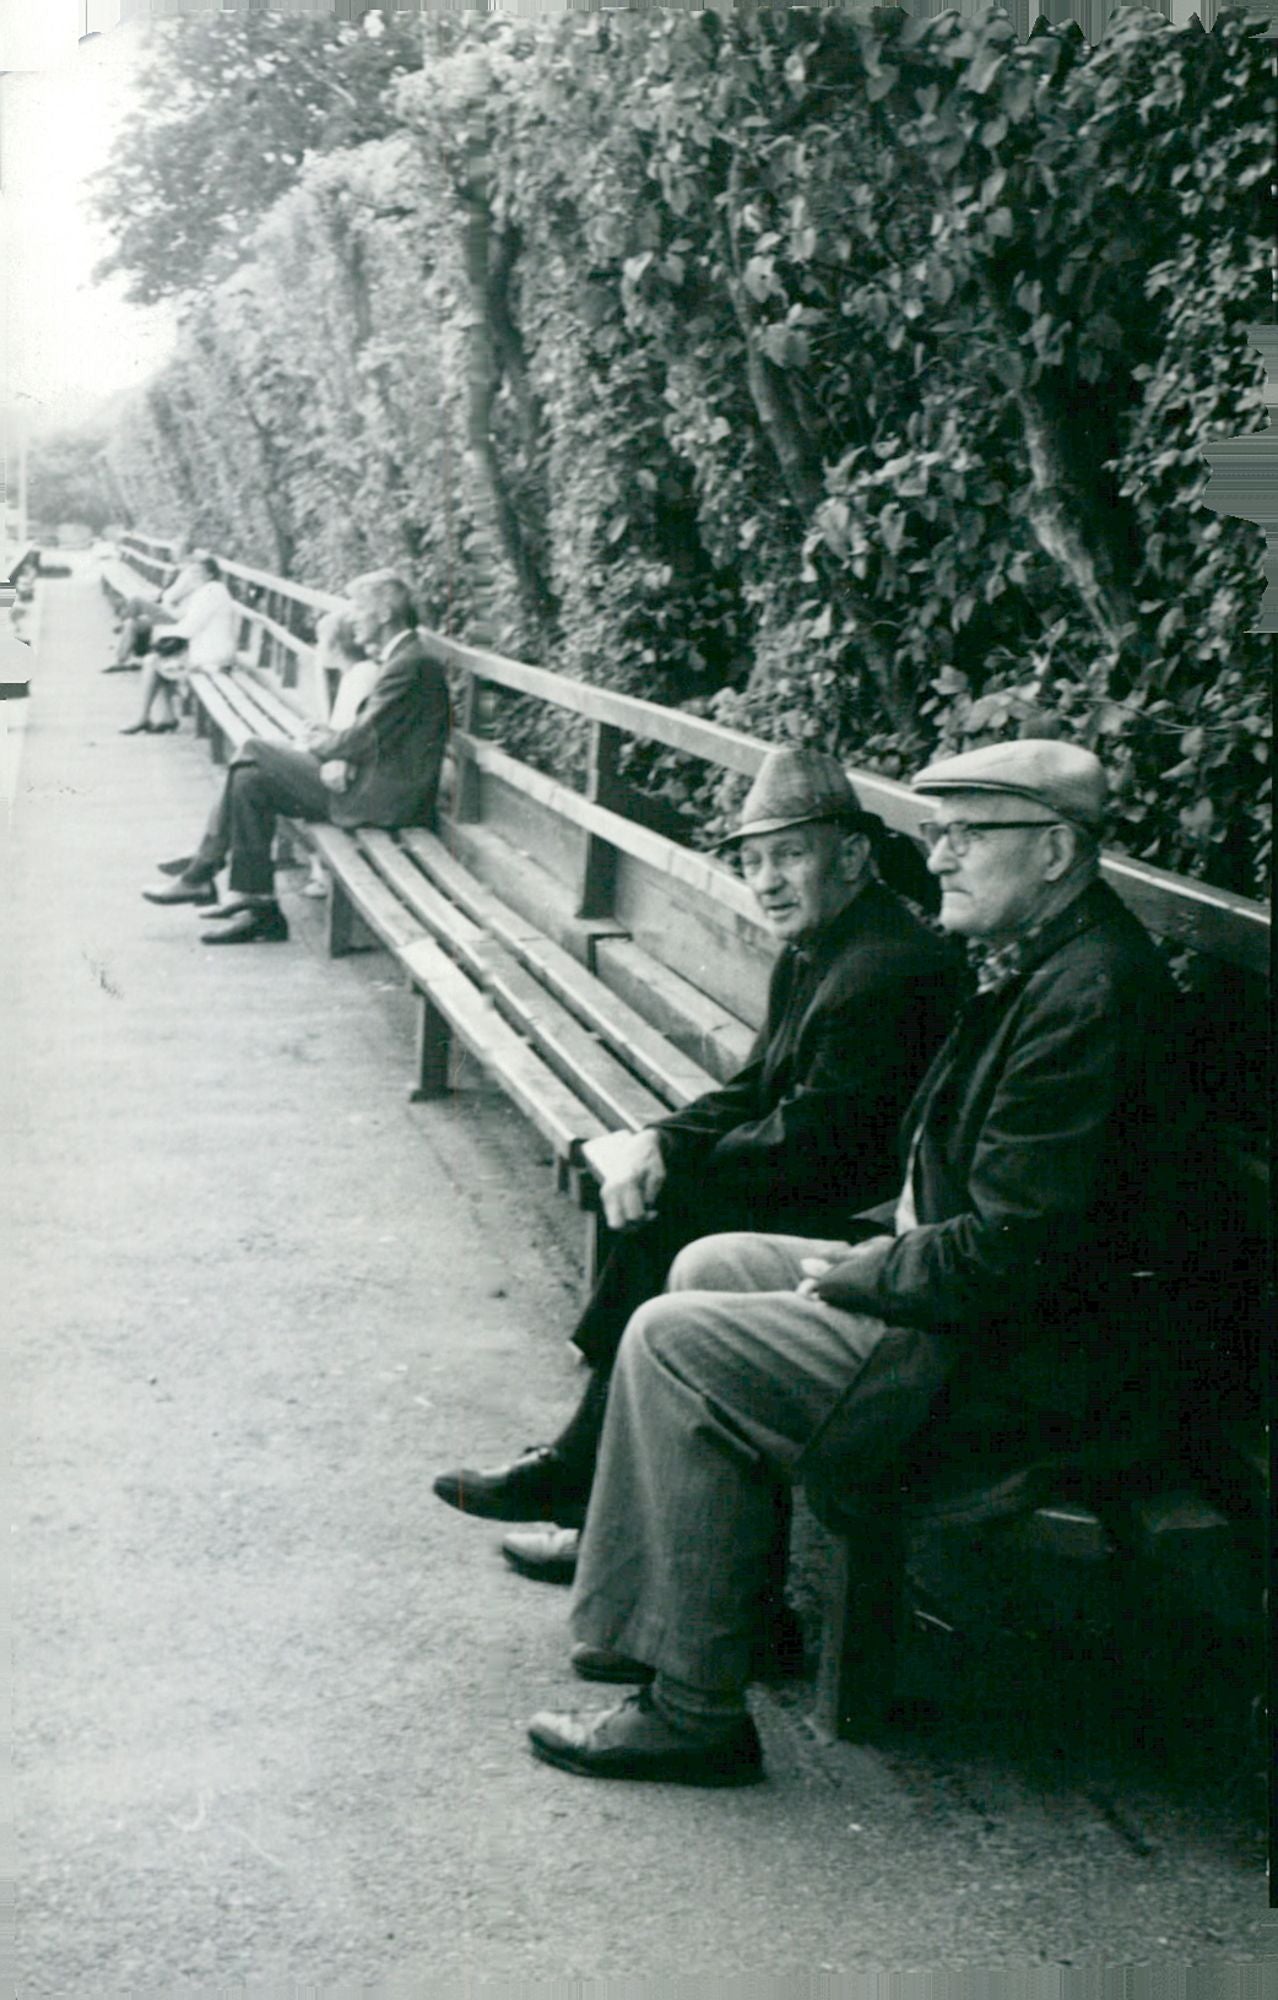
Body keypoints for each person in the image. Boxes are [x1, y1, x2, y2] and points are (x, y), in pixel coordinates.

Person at [524, 739, 1200, 1787]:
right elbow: (979, 1209)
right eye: (940, 833)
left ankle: (692, 1709)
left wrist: (866, 1270)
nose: (939, 859)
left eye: (970, 835)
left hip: (1017, 1368)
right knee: (707, 1261)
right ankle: (719, 1621)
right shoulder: (1049, 960)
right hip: (973, 1315)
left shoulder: (1088, 995)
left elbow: (1012, 1257)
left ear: (1058, 849)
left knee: (670, 1338)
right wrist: (880, 1250)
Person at [432, 747, 962, 1609]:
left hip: (864, 1210)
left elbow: (820, 1141)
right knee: (658, 1183)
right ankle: (592, 1492)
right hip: (820, 1174)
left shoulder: (889, 967)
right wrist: (661, 1138)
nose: (769, 880)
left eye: (790, 855)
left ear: (854, 856)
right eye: (753, 861)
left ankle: (582, 1481)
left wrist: (677, 1165)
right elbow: (755, 1089)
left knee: (675, 1208)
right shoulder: (819, 946)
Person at [140, 569, 449, 946]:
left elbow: (364, 737)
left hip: (382, 798)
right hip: (372, 782)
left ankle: (203, 871)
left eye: (359, 607)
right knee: (250, 780)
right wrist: (327, 739)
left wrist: (318, 743)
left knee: (253, 749)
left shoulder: (409, 663)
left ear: (384, 615)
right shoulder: (404, 657)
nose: (351, 616)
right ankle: (260, 908)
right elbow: (373, 734)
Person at [119, 556, 239, 734]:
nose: (194, 576)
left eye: (199, 572)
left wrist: (162, 634)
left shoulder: (211, 592)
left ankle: (144, 718)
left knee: (153, 661)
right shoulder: (207, 591)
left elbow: (189, 628)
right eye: (192, 572)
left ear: (211, 575)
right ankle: (165, 717)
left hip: (212, 658)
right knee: (156, 659)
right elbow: (187, 619)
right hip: (207, 651)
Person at [103, 545, 203, 674]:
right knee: (132, 623)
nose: (174, 554)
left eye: (177, 551)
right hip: (170, 611)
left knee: (136, 601)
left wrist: (163, 598)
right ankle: (120, 660)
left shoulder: (190, 574)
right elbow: (169, 595)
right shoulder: (184, 572)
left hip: (175, 617)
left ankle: (121, 627)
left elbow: (170, 596)